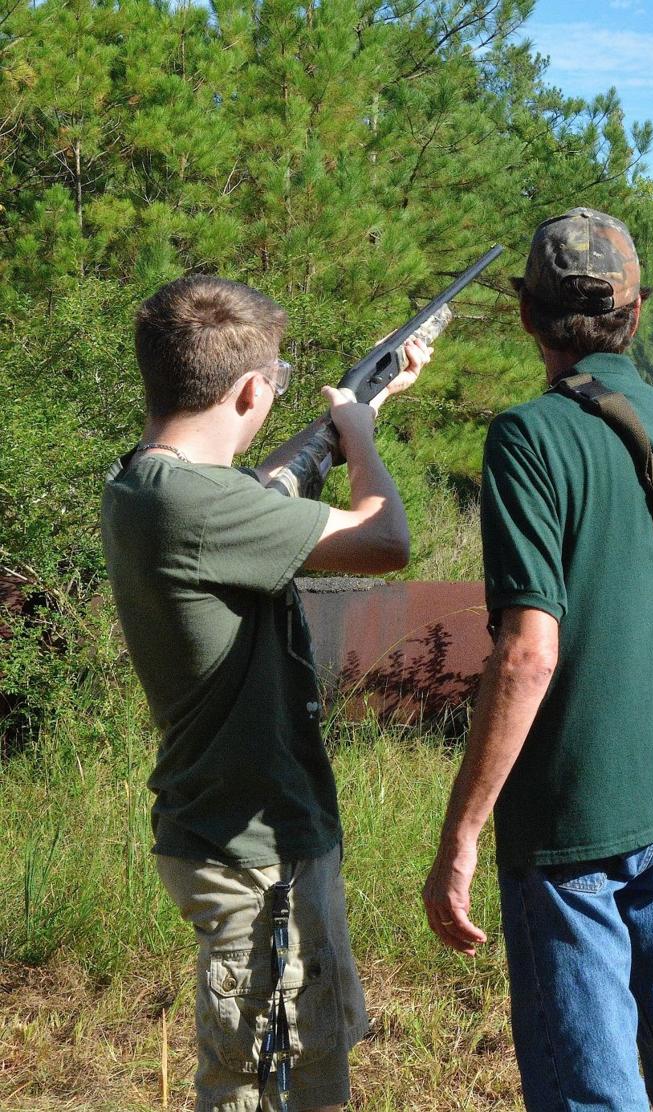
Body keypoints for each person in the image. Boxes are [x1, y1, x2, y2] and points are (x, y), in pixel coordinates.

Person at [423, 208, 653, 1110]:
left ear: (529, 317)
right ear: (635, 312)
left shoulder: (528, 439)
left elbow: (528, 653)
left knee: (590, 1090)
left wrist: (460, 838)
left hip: (569, 821)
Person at [101, 275, 430, 1112]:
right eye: (275, 383)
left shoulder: (152, 482)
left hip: (251, 837)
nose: (273, 394)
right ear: (251, 389)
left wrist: (356, 410)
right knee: (263, 1085)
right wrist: (357, 437)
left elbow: (263, 490)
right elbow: (385, 540)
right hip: (254, 855)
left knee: (304, 1052)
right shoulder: (188, 503)